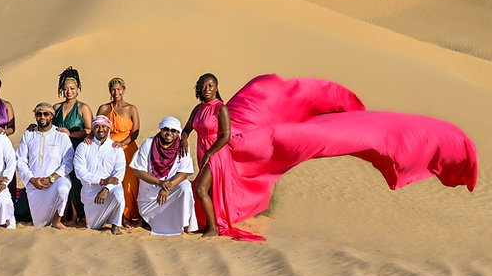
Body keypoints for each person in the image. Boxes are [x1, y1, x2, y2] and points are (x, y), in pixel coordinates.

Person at [179, 73, 479, 242]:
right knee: (202, 189)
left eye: (211, 85)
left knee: (202, 187)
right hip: (204, 151)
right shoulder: (198, 110)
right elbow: (189, 128)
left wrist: (210, 155)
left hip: (216, 154)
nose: (207, 89)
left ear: (217, 87)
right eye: (203, 86)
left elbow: (226, 135)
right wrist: (183, 139)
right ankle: (211, 223)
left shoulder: (222, 109)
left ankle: (215, 228)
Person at [130, 116, 197, 236]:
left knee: (186, 186)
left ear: (178, 133)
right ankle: (148, 220)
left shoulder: (182, 147)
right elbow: (138, 171)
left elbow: (184, 172)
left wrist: (168, 187)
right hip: (150, 197)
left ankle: (185, 225)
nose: (169, 133)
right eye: (166, 129)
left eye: (173, 130)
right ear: (161, 129)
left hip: (169, 192)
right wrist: (160, 183)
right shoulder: (149, 144)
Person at [16, 102, 75, 229]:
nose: (42, 116)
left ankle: (57, 220)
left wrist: (52, 178)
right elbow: (20, 160)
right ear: (35, 116)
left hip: (56, 180)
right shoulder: (28, 135)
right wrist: (32, 180)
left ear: (52, 116)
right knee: (39, 224)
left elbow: (68, 162)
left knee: (63, 189)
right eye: (39, 114)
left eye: (46, 114)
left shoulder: (61, 136)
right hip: (34, 183)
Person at [52, 66, 94, 223]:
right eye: (66, 89)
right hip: (58, 151)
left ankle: (75, 215)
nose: (69, 92)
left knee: (75, 182)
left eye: (72, 88)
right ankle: (62, 213)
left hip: (77, 148)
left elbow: (89, 130)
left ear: (78, 89)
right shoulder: (56, 108)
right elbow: (45, 123)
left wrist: (70, 134)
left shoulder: (83, 107)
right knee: (61, 179)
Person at [97, 77, 140, 227]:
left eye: (119, 89)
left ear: (124, 90)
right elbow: (98, 127)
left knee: (129, 184)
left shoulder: (131, 109)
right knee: (111, 181)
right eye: (113, 89)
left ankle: (127, 215)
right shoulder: (104, 108)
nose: (116, 92)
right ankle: (115, 215)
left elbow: (135, 132)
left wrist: (122, 143)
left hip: (127, 149)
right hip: (108, 149)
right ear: (110, 91)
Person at [73, 116, 125, 235]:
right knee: (92, 227)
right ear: (93, 129)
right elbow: (80, 172)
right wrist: (102, 181)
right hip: (91, 191)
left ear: (108, 128)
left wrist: (106, 188)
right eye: (97, 126)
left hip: (110, 188)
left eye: (103, 126)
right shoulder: (83, 146)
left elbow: (119, 173)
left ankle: (116, 225)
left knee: (118, 194)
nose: (100, 129)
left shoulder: (116, 148)